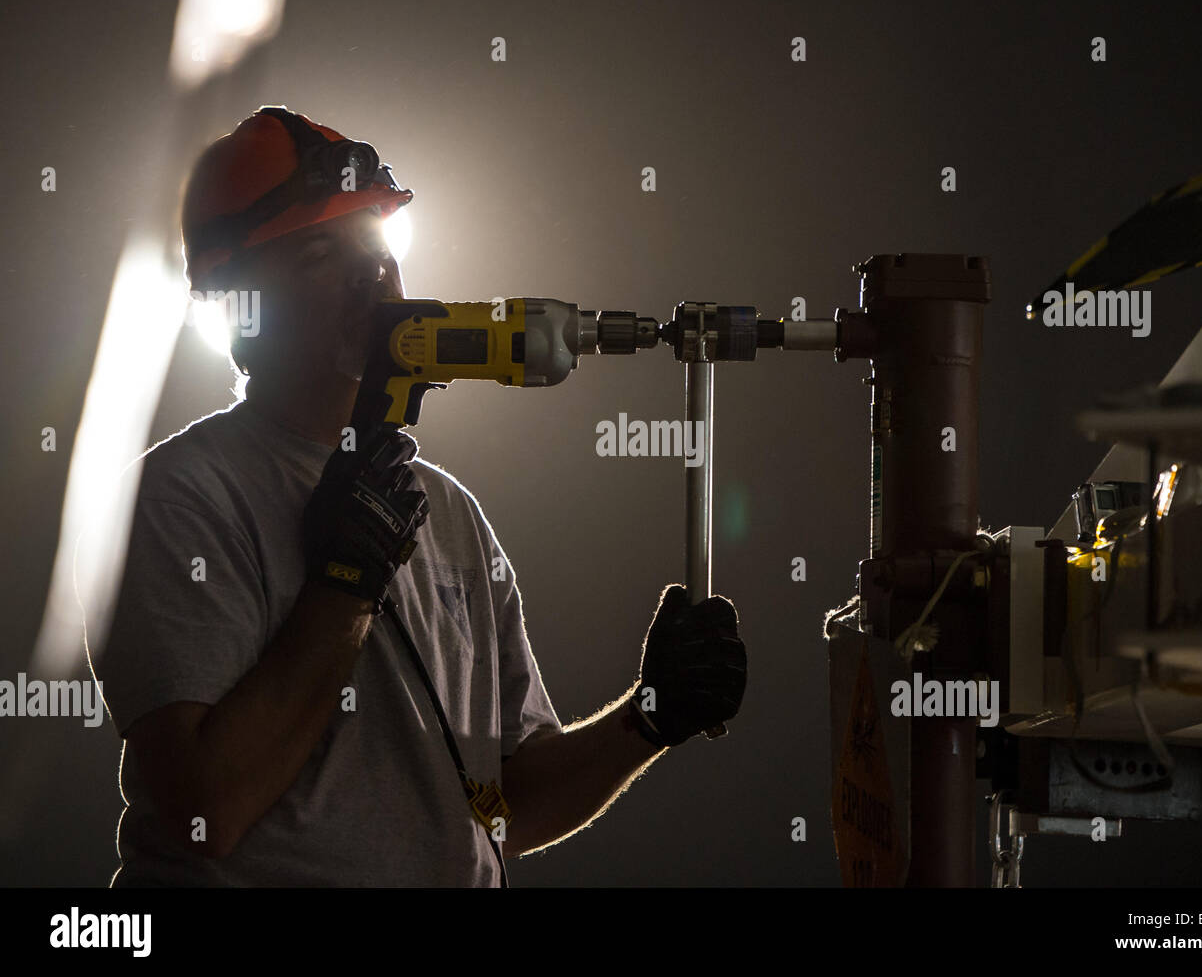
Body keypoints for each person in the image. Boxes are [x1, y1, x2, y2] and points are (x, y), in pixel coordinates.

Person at [84, 106, 746, 886]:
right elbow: (209, 810)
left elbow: (507, 808)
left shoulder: (449, 514)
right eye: (319, 255)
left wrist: (648, 718)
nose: (371, 278)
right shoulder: (177, 500)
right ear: (240, 311)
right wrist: (343, 586)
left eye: (377, 246)